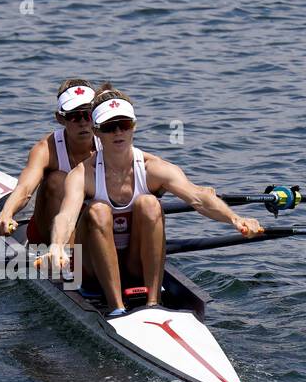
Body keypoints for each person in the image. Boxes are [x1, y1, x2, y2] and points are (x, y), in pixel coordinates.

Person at [47, 85, 263, 315]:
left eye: (125, 125)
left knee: (148, 203)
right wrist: (57, 246)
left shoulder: (155, 169)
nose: (118, 132)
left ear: (134, 126)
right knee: (98, 210)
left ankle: (153, 303)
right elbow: (66, 216)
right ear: (97, 132)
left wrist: (235, 219)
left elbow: (199, 198)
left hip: (133, 265)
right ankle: (116, 308)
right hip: (91, 273)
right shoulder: (82, 175)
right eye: (110, 127)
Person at [0, 78, 100, 242]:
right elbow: (25, 188)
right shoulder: (46, 149)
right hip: (47, 233)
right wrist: (6, 213)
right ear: (60, 118)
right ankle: (67, 257)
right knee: (58, 181)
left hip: (91, 226)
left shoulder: (110, 143)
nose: (83, 122)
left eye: (88, 114)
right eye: (75, 116)